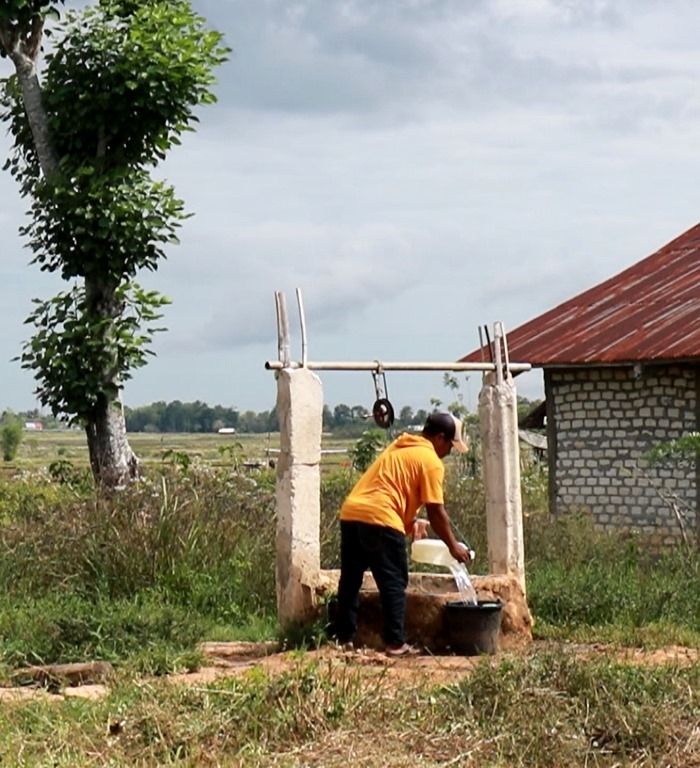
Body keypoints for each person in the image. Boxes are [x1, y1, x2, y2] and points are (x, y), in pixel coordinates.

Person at [330, 411, 473, 657]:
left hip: (352, 513)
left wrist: (412, 522)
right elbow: (436, 510)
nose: (449, 451)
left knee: (350, 580)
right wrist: (453, 546)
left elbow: (388, 490)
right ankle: (395, 643)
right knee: (394, 582)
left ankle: (342, 639)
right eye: (450, 445)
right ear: (440, 438)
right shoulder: (430, 460)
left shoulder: (399, 448)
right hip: (381, 517)